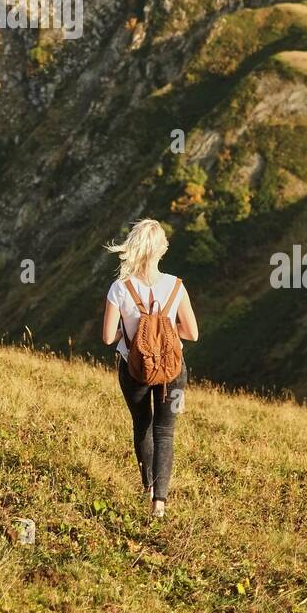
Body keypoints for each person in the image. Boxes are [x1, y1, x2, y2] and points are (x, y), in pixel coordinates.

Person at [101, 219, 198, 519]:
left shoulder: (120, 288)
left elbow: (107, 338)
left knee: (142, 424)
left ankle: (148, 486)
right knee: (166, 431)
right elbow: (192, 333)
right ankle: (160, 503)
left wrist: (129, 333)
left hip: (134, 369)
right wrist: (164, 334)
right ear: (161, 249)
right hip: (173, 370)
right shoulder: (176, 286)